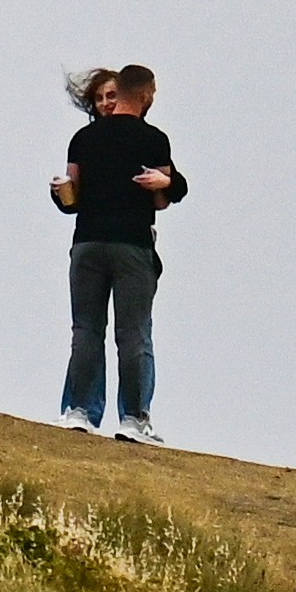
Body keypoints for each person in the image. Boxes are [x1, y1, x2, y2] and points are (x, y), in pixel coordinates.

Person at [50, 63, 183, 439]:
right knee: (134, 333)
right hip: (132, 244)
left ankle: (79, 411)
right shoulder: (153, 139)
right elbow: (160, 200)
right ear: (145, 95)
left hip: (88, 243)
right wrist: (167, 184)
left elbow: (71, 196)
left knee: (87, 330)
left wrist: (60, 193)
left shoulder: (83, 139)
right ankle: (134, 418)